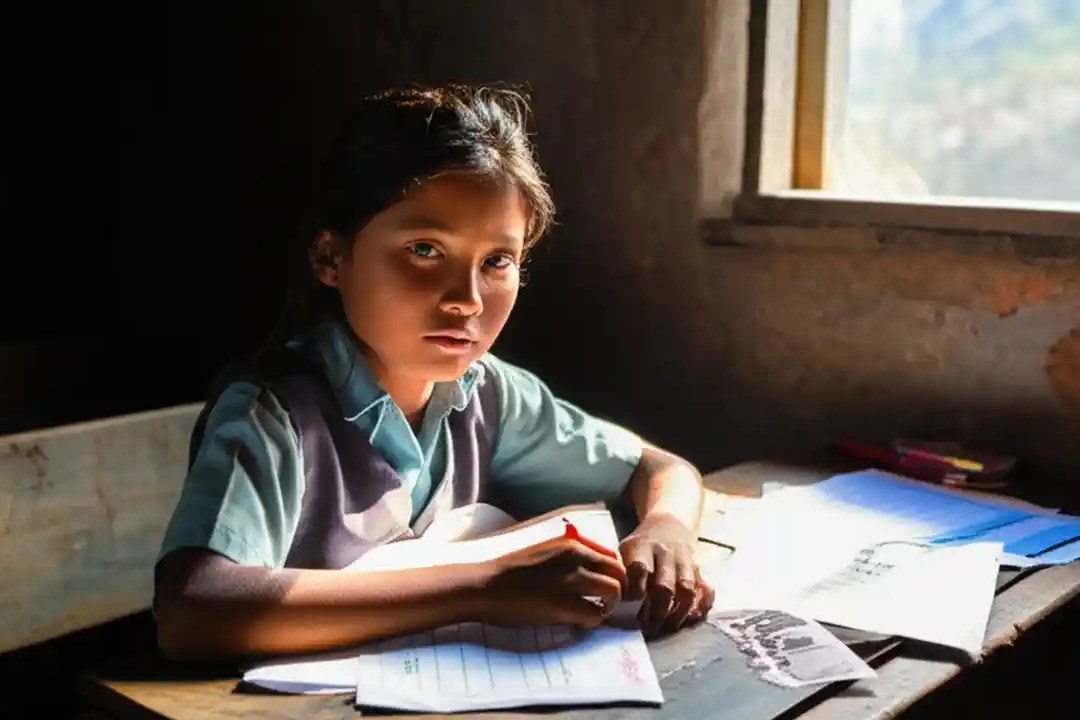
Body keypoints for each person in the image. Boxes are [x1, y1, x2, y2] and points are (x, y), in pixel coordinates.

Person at [154, 83, 714, 662]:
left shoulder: (485, 393)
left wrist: (667, 529)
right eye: (425, 250)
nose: (467, 300)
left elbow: (658, 467)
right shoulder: (274, 418)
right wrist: (482, 588)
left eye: (498, 261)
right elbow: (192, 608)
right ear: (330, 257)